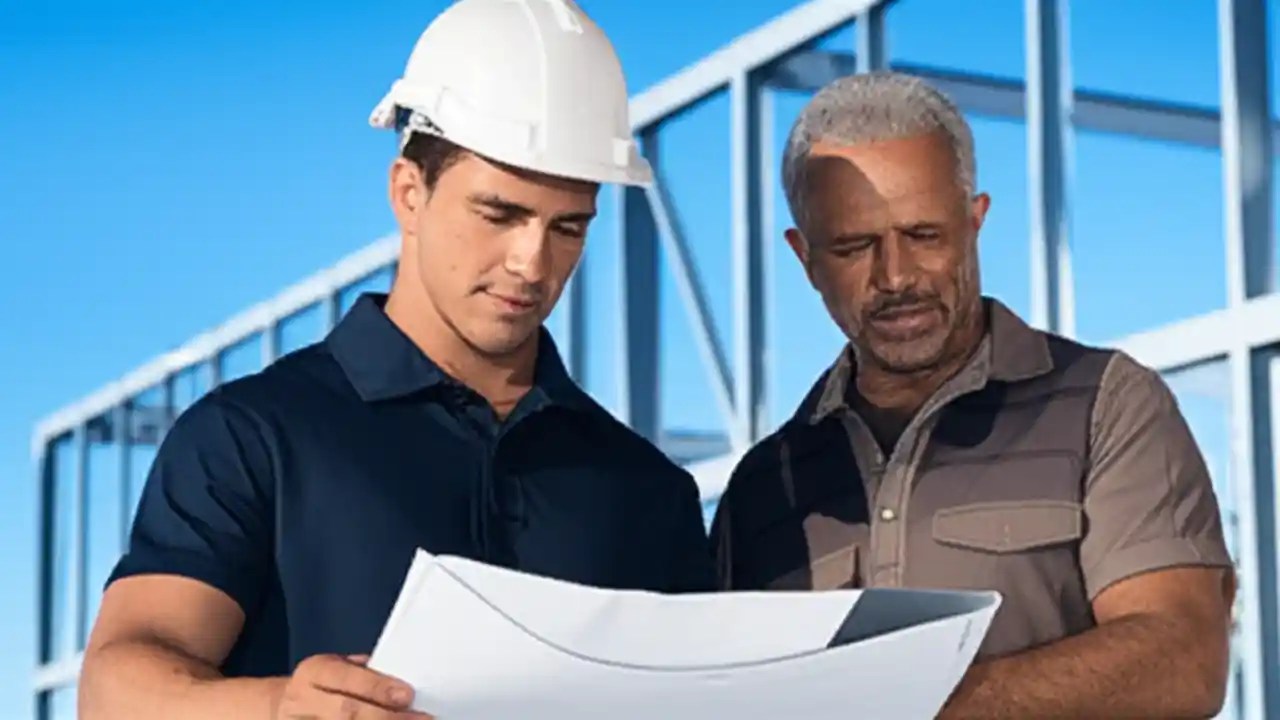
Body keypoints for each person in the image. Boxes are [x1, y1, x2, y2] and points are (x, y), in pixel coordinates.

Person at [78, 1, 714, 718]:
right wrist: (280, 707)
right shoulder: (253, 437)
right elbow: (113, 692)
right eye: (499, 214)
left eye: (568, 227)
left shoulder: (647, 491)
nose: (532, 263)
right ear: (409, 193)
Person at [708, 71, 1237, 719]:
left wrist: (921, 704)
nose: (896, 277)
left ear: (974, 220)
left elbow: (1183, 661)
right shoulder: (763, 487)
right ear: (805, 258)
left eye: (924, 235)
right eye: (854, 246)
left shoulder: (1106, 406)